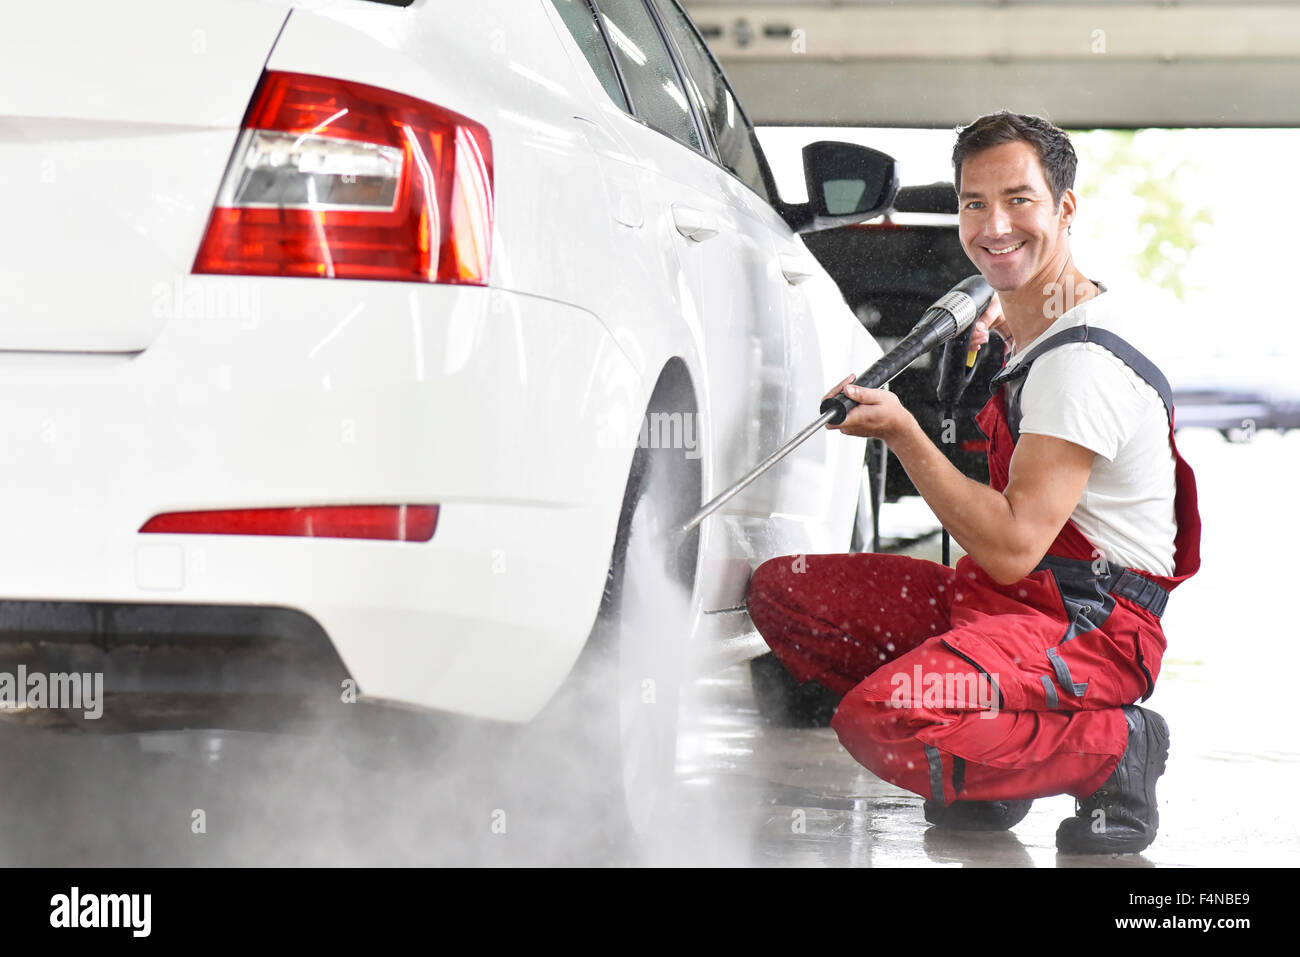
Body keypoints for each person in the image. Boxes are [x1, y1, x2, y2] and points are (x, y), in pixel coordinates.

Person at [744, 111, 1201, 855]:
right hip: (994, 606)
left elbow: (1015, 546)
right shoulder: (1034, 330)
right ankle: (990, 757)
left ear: (1066, 208)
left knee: (885, 715)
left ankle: (1113, 745)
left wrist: (903, 431)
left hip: (1083, 626)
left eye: (1020, 200)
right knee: (785, 595)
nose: (994, 225)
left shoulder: (1080, 363)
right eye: (974, 203)